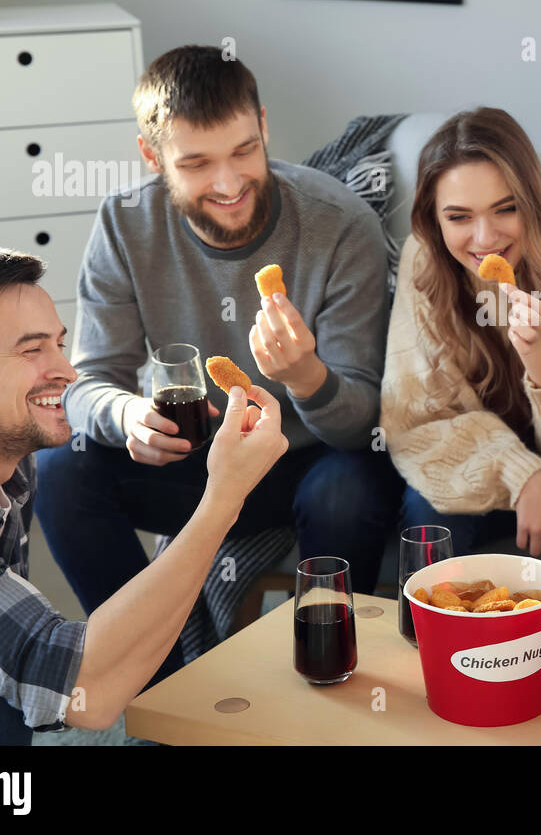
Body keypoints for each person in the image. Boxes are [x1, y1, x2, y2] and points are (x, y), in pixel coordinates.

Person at [34, 46, 402, 684]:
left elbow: (363, 424)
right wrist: (130, 418)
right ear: (153, 157)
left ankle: (321, 685)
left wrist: (306, 375)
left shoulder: (339, 223)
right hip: (191, 459)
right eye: (197, 164)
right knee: (59, 469)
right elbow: (86, 385)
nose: (229, 184)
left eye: (243, 152)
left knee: (351, 483)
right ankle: (161, 687)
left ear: (263, 126)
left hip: (304, 460)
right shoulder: (125, 225)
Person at [0, 244, 287, 743]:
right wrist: (224, 495)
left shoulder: (3, 452)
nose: (68, 372)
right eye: (33, 350)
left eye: (59, 343)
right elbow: (73, 688)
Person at [380, 107, 541, 634]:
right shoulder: (424, 260)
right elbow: (416, 417)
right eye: (458, 217)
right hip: (483, 462)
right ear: (433, 219)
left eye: (505, 210)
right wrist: (523, 474)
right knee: (429, 508)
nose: (485, 238)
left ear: (532, 200)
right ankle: (444, 661)